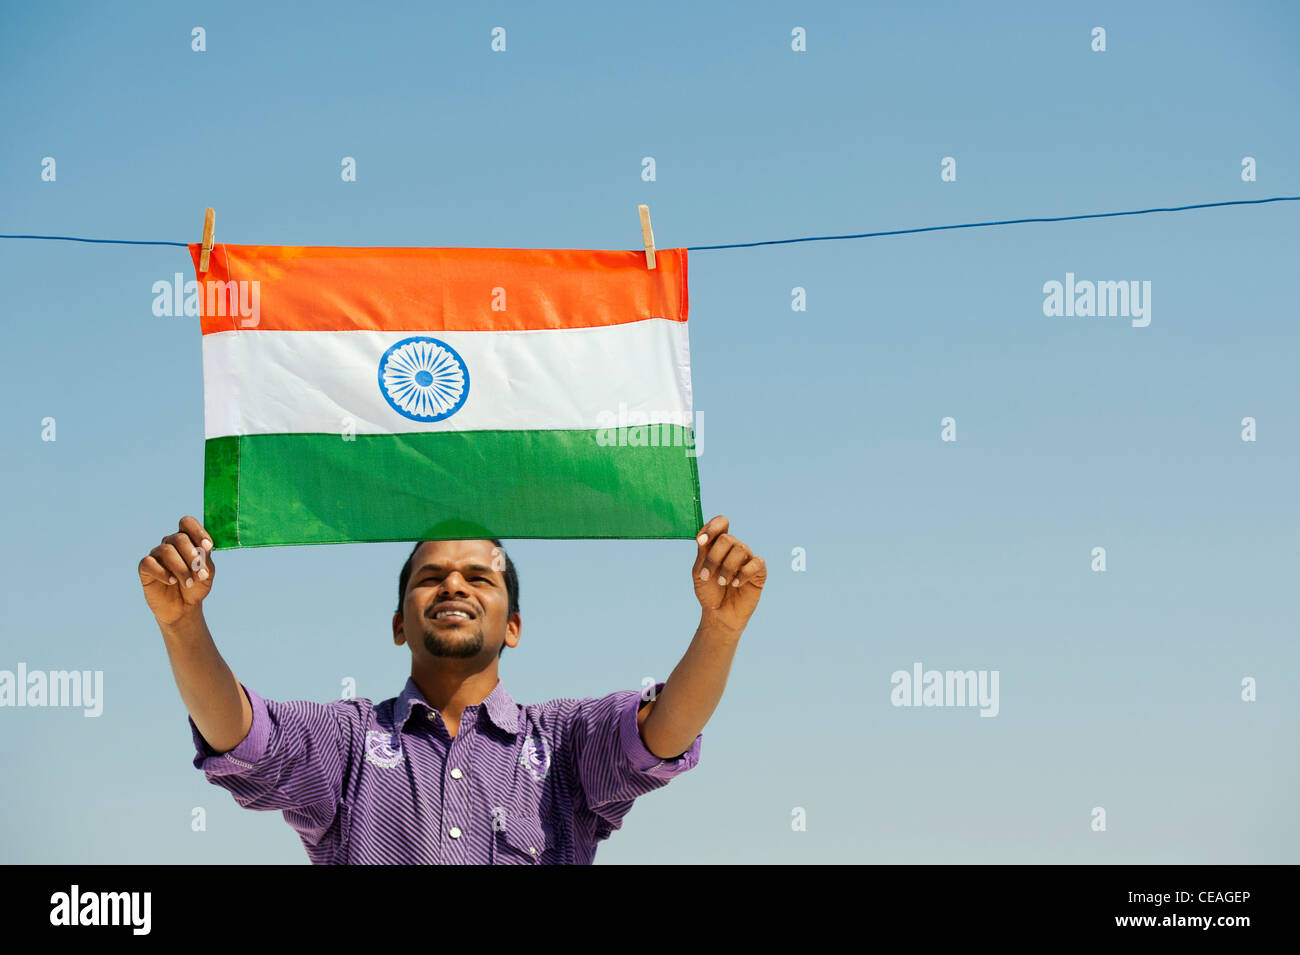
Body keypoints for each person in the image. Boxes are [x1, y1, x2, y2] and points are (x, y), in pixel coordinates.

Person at [139, 514, 765, 864]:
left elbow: (663, 734)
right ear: (397, 623)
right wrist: (181, 622)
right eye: (431, 576)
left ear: (513, 626)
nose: (454, 587)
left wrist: (720, 627)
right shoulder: (349, 743)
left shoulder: (566, 745)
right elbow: (242, 737)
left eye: (479, 577)